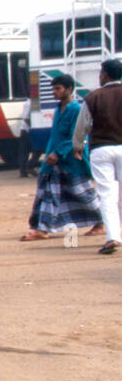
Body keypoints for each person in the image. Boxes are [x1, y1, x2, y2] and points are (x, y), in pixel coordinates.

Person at [21, 75, 103, 241]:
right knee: (49, 192)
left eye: (58, 88)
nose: (54, 92)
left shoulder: (76, 110)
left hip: (71, 160)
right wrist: (50, 155)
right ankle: (42, 228)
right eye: (54, 88)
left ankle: (101, 222)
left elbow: (77, 135)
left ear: (69, 89)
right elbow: (56, 136)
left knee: (83, 193)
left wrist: (58, 153)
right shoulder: (58, 109)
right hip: (53, 161)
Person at [73, 57, 122, 255]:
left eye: (100, 73)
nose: (99, 76)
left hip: (101, 149)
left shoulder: (93, 97)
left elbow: (82, 124)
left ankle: (113, 237)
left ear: (106, 75)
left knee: (107, 194)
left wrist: (77, 145)